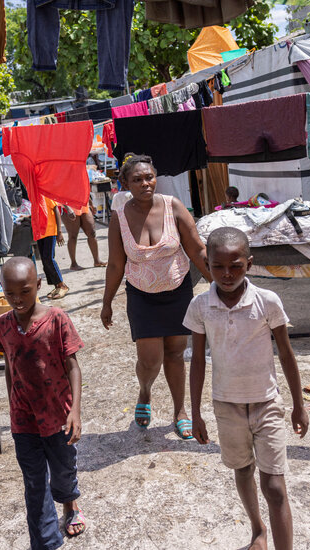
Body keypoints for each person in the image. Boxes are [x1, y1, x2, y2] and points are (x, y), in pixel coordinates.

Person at [185, 227, 309, 550]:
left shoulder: (267, 302)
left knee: (275, 487)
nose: (227, 274)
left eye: (236, 266)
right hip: (226, 406)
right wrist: (195, 412)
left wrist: (298, 404)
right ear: (207, 265)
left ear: (250, 264)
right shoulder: (200, 307)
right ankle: (257, 529)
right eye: (218, 267)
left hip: (267, 403)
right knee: (242, 470)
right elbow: (198, 360)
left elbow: (285, 352)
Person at [100, 154, 212, 440]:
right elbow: (115, 264)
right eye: (137, 180)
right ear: (125, 183)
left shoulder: (173, 207)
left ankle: (179, 412)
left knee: (176, 353)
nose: (145, 183)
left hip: (178, 293)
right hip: (142, 296)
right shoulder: (120, 218)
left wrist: (220, 285)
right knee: (150, 360)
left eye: (149, 177)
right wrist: (107, 302)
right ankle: (145, 392)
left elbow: (197, 249)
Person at [0, 257, 87, 549]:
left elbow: (73, 367)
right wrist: (11, 405)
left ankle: (70, 504)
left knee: (62, 468)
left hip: (59, 415)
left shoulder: (56, 319)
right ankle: (45, 542)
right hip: (24, 419)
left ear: (39, 286)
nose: (17, 299)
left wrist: (75, 412)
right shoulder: (2, 326)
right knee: (33, 482)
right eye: (10, 293)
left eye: (25, 291)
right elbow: (10, 366)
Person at [37, 198, 69, 300]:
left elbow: (56, 211)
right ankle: (56, 286)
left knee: (49, 258)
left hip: (50, 231)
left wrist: (59, 232)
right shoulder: (33, 196)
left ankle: (62, 285)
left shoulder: (45, 195)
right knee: (44, 260)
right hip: (40, 232)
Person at [61, 201, 106, 270]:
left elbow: (85, 190)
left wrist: (91, 204)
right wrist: (67, 208)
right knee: (73, 236)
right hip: (68, 205)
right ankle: (73, 264)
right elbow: (59, 193)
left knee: (92, 233)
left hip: (83, 205)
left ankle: (97, 261)